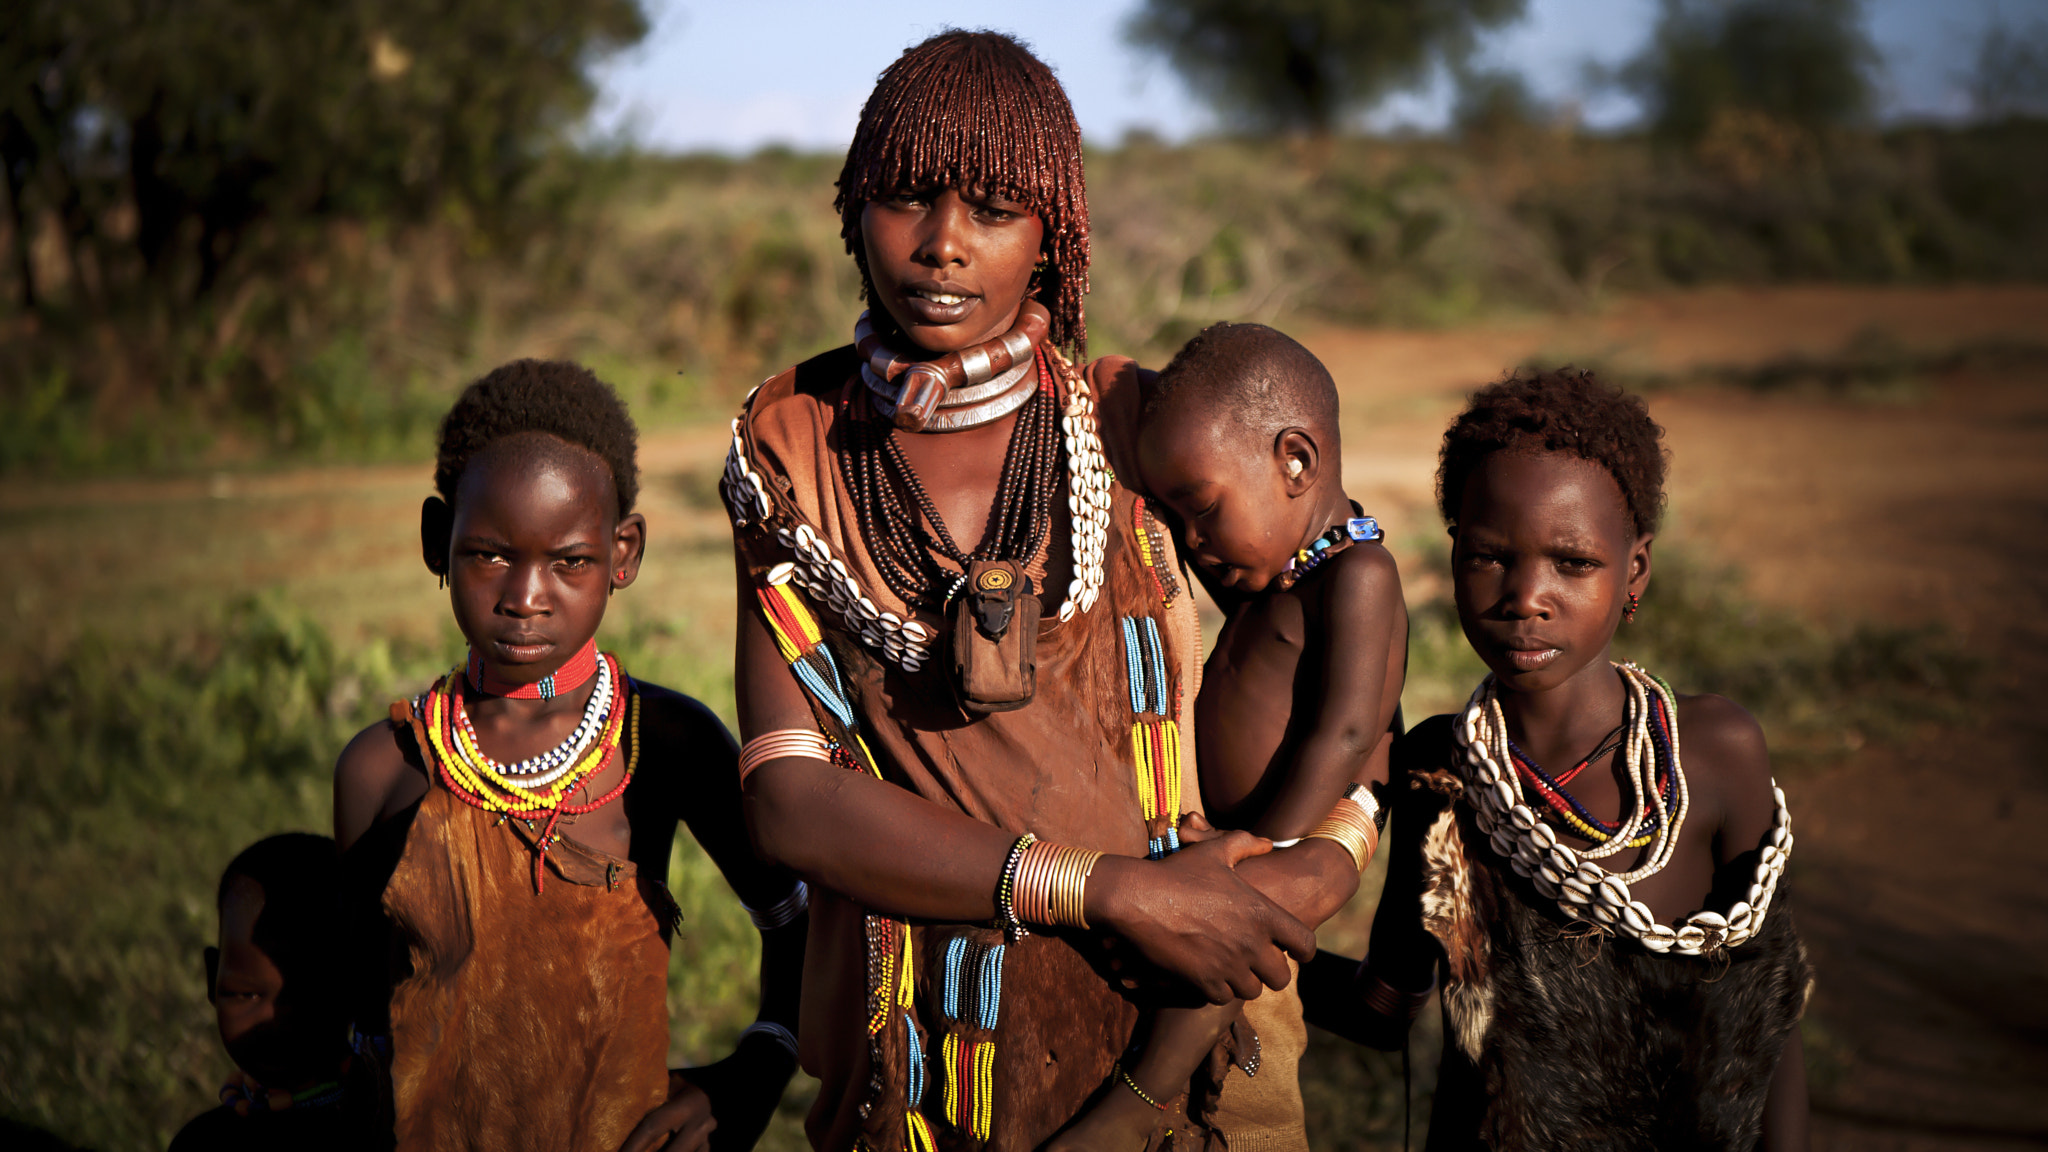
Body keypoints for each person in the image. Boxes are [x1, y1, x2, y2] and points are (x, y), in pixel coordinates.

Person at [725, 30, 1334, 1152]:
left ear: (1055, 233)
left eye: (995, 210)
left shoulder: (1133, 423)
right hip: (922, 1055)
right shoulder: (791, 449)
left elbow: (1334, 613)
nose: (943, 246)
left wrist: (1311, 861)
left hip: (1177, 1015)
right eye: (906, 199)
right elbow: (788, 800)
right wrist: (1108, 890)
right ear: (855, 206)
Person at [332, 360, 805, 1152]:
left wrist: (758, 1067)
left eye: (570, 561)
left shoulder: (660, 740)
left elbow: (794, 917)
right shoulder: (384, 766)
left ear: (624, 553)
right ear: (434, 540)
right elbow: (358, 1011)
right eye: (488, 555)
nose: (525, 595)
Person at [1344, 370, 1811, 1150]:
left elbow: (1772, 1015)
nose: (1527, 595)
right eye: (1490, 557)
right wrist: (1225, 932)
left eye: (1572, 563)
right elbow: (1388, 1003)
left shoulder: (1716, 753)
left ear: (1635, 572)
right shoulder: (1438, 767)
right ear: (1454, 557)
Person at [1049, 322, 1410, 1149]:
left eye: (1203, 509)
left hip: (1281, 836)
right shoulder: (1282, 573)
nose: (1194, 541)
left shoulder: (1359, 574)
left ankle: (1143, 1099)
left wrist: (1260, 842)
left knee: (1219, 954)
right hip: (1240, 836)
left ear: (1294, 461)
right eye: (1177, 518)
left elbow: (1350, 726)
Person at [171, 832, 377, 1151]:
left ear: (358, 986)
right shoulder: (201, 1141)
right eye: (245, 994)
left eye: (308, 996)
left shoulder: (386, 1133)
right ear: (213, 978)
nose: (276, 1020)